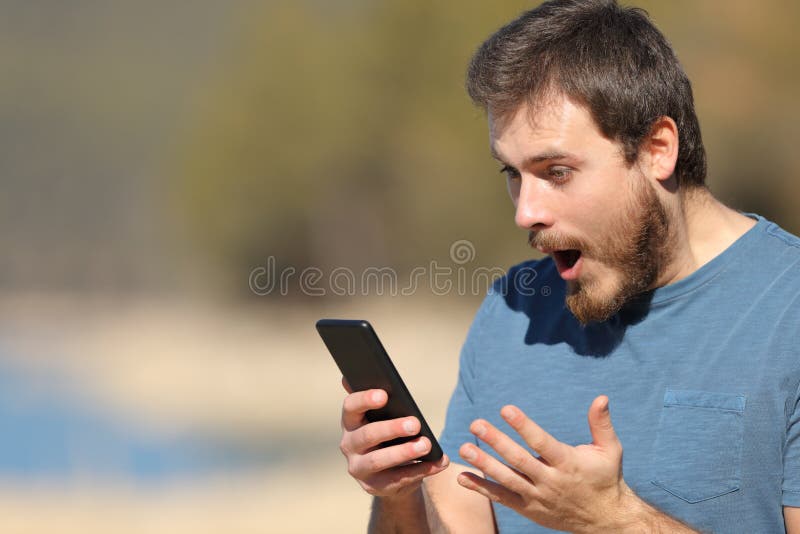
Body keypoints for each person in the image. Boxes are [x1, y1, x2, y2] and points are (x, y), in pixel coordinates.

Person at [338, 0, 800, 531]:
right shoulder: (512, 311)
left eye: (555, 171)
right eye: (512, 173)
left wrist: (615, 520)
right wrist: (399, 493)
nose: (525, 212)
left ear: (657, 149)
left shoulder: (787, 310)